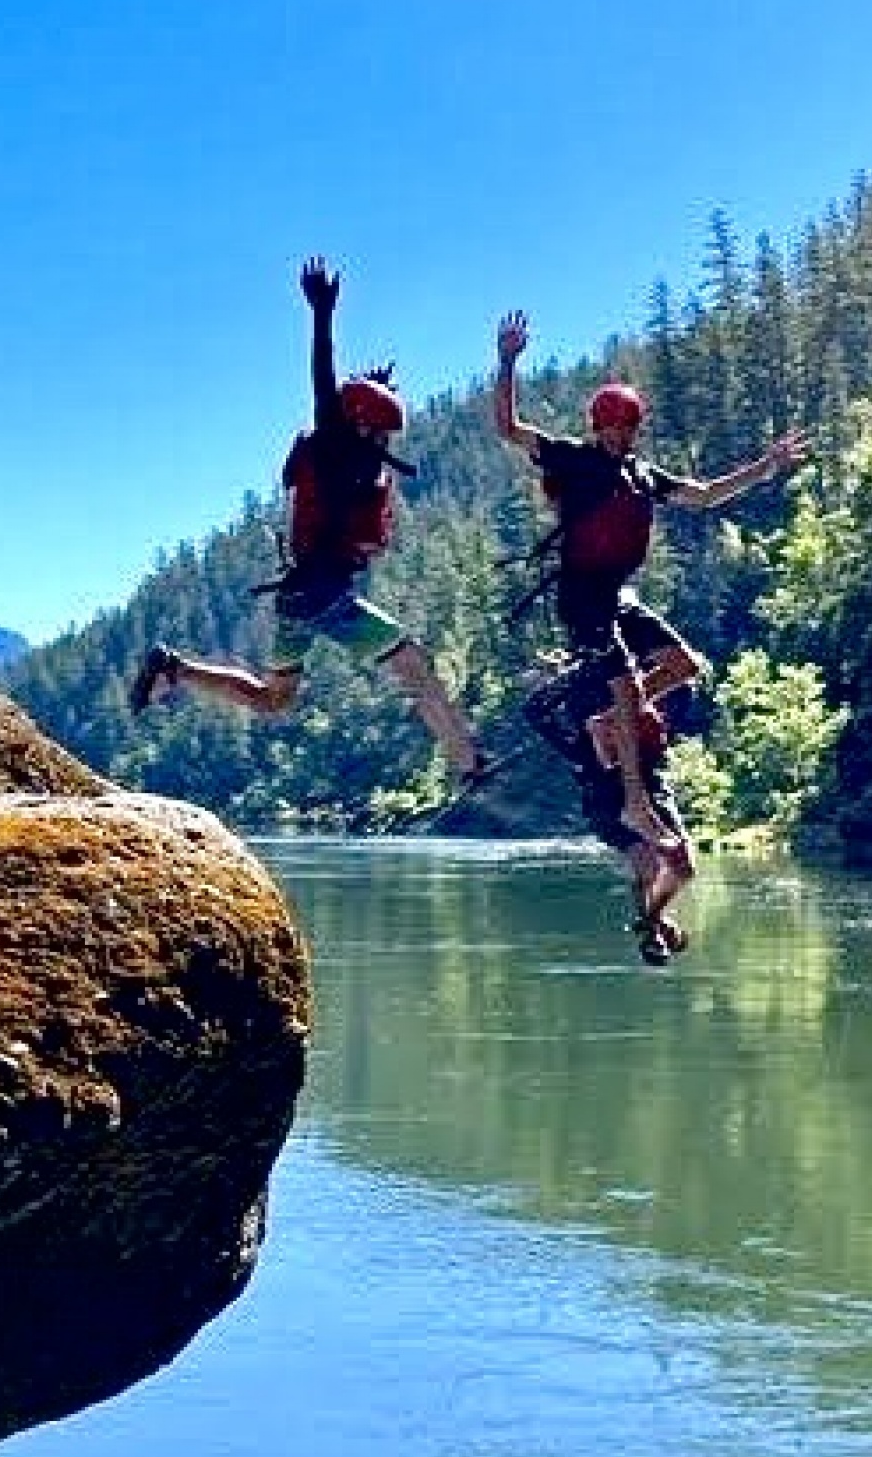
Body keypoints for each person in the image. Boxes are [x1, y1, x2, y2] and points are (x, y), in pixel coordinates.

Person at [130, 258, 488, 789]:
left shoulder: (354, 455)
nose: (389, 444)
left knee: (274, 700)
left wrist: (372, 382)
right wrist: (322, 314)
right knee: (414, 664)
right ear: (364, 425)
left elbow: (344, 399)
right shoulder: (332, 446)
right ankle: (469, 765)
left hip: (299, 599)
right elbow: (324, 380)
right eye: (383, 432)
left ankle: (174, 668)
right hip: (326, 600)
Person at [492, 307, 809, 854]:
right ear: (597, 426)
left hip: (616, 596)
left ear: (636, 428)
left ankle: (604, 723)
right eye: (611, 426)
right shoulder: (573, 459)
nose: (619, 434)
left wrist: (766, 466)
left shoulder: (643, 475)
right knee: (629, 687)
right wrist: (506, 362)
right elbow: (508, 429)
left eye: (628, 426)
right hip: (580, 595)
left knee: (685, 665)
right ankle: (636, 805)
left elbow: (705, 494)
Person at [522, 626, 698, 966]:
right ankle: (652, 929)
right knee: (645, 861)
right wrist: (574, 748)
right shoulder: (576, 682)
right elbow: (535, 710)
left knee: (683, 865)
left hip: (650, 779)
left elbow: (683, 687)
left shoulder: (638, 676)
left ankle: (652, 921)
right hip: (602, 788)